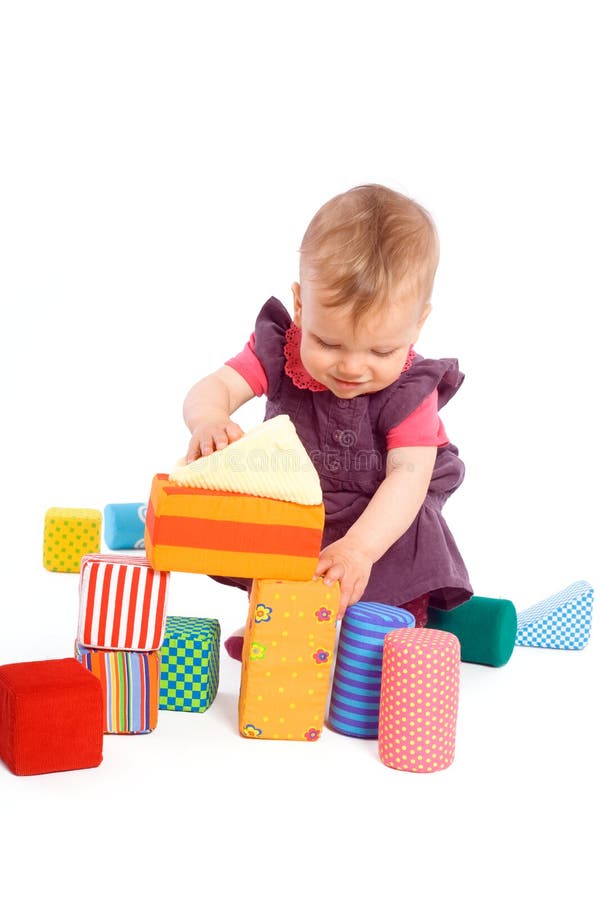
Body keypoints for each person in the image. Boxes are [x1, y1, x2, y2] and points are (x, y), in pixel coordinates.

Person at [182, 183, 473, 659]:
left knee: (390, 564)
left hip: (382, 507)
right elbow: (212, 387)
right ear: (300, 307)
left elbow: (409, 474)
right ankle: (272, 620)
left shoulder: (411, 389)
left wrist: (358, 550)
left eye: (381, 350)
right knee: (278, 544)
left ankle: (392, 637)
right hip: (301, 498)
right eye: (330, 344)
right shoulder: (280, 351)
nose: (352, 367)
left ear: (417, 326)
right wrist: (209, 417)